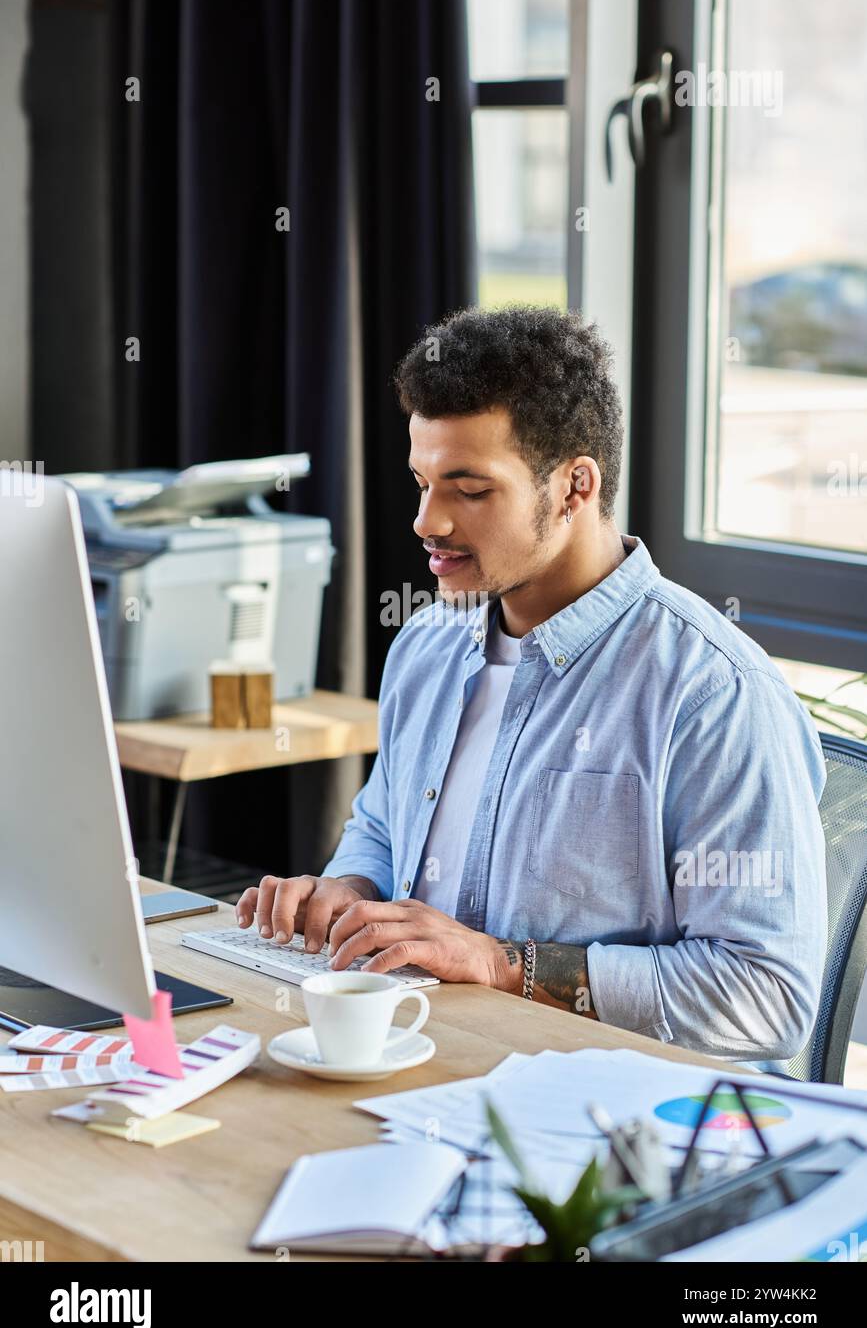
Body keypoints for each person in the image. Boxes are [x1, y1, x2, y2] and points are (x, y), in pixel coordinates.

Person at [236, 305, 828, 1066]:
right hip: (422, 1060)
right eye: (420, 482)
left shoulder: (714, 693)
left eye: (469, 490)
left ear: (575, 485)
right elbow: (384, 828)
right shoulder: (426, 644)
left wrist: (498, 962)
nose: (426, 522)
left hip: (600, 1129)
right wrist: (350, 890)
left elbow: (765, 998)